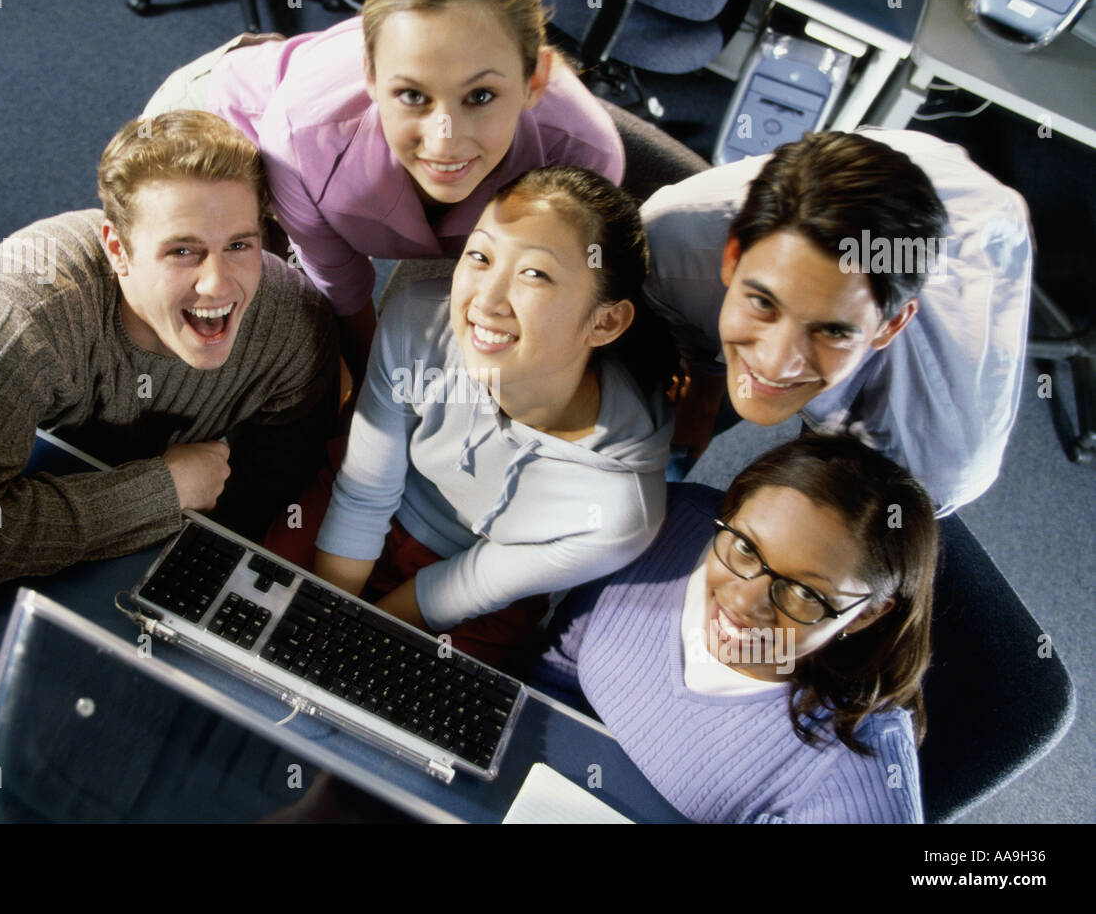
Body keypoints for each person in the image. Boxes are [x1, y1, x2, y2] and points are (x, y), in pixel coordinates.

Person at [0, 111, 338, 597]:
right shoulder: (31, 305)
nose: (217, 283)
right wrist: (164, 491)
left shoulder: (295, 328)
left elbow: (256, 515)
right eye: (182, 252)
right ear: (117, 249)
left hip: (94, 540)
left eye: (238, 244)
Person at [140, 0, 624, 380]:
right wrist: (373, 395)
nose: (445, 141)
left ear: (534, 80)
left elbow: (555, 295)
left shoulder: (586, 156)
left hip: (325, 150)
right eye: (413, 95)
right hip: (233, 127)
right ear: (370, 74)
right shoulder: (303, 137)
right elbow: (342, 292)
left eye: (480, 96)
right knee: (209, 320)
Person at [289, 166, 675, 671]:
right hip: (379, 508)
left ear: (604, 322)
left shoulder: (622, 509)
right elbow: (365, 493)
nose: (486, 302)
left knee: (387, 700)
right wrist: (325, 618)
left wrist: (351, 646)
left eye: (534, 274)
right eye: (480, 257)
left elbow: (468, 585)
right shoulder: (415, 322)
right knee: (257, 616)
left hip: (472, 593)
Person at [532, 433, 937, 823]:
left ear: (867, 614)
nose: (743, 603)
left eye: (803, 592)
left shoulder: (859, 763)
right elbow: (558, 671)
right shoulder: (668, 524)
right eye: (745, 548)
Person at [644, 128, 1032, 516]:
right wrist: (703, 396)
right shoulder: (671, 243)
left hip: (981, 226)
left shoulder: (937, 457)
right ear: (731, 258)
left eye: (832, 330)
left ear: (890, 325)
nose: (775, 363)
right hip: (899, 160)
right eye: (763, 302)